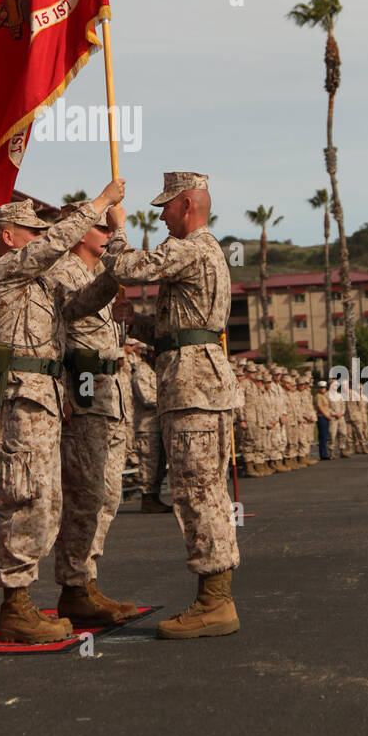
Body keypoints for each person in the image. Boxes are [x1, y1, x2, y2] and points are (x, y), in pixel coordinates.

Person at [0, 178, 125, 644]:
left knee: (50, 499)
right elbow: (59, 242)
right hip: (20, 398)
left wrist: (117, 259)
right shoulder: (0, 273)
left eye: (42, 230)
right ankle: (15, 605)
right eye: (32, 230)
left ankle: (63, 593)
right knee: (26, 497)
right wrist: (100, 203)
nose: (41, 236)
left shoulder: (40, 286)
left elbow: (85, 303)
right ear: (8, 235)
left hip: (44, 396)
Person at [102, 171, 241, 640]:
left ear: (187, 205)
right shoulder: (201, 253)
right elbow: (180, 327)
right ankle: (214, 596)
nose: (159, 215)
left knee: (198, 491)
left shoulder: (194, 247)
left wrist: (117, 228)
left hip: (194, 387)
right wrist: (136, 323)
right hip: (194, 379)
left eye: (165, 206)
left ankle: (215, 602)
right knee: (201, 488)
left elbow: (127, 269)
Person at [46, 204, 138, 625]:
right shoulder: (63, 273)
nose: (106, 232)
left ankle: (88, 576)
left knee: (107, 495)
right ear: (80, 233)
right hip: (82, 391)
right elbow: (60, 335)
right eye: (100, 227)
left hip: (109, 393)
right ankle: (73, 585)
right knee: (84, 494)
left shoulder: (97, 277)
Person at [130, 342, 172, 509]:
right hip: (147, 427)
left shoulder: (156, 371)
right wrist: (167, 401)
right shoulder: (141, 372)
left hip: (158, 425)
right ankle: (147, 498)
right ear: (148, 353)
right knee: (149, 464)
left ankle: (154, 497)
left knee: (159, 464)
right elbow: (146, 398)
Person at [327, 377, 351, 458]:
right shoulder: (327, 395)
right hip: (332, 418)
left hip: (341, 417)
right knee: (332, 435)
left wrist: (341, 413)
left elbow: (343, 405)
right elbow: (326, 407)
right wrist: (334, 413)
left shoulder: (339, 395)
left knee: (343, 433)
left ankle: (342, 449)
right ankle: (331, 451)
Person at [315, 381, 332, 460]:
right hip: (322, 417)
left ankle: (325, 453)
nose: (323, 389)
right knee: (323, 436)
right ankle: (323, 454)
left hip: (326, 417)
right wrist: (327, 416)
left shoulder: (324, 396)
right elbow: (319, 407)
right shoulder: (318, 396)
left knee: (325, 436)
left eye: (324, 387)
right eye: (321, 387)